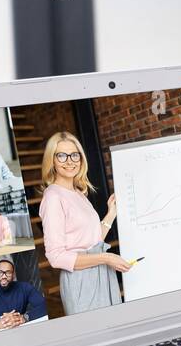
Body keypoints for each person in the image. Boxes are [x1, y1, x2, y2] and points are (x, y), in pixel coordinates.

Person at [38, 131, 128, 315]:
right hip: (81, 281)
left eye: (74, 154)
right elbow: (56, 257)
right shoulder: (53, 197)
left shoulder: (78, 192)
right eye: (61, 155)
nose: (69, 161)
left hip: (102, 273)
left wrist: (111, 214)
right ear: (52, 160)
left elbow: (92, 241)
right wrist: (106, 258)